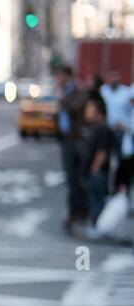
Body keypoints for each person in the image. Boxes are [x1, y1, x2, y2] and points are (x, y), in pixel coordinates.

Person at [55, 66, 91, 234]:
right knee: (71, 178)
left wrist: (62, 99)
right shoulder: (62, 93)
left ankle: (78, 213)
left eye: (61, 76)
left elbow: (75, 109)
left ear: (68, 76)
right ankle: (77, 212)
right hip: (65, 140)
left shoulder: (77, 92)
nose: (58, 80)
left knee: (76, 178)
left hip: (76, 141)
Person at [83, 97, 119, 236]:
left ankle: (98, 229)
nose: (87, 112)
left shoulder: (103, 129)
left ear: (99, 112)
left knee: (97, 201)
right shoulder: (97, 128)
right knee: (95, 200)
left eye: (90, 109)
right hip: (96, 173)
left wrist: (94, 170)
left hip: (98, 173)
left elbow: (102, 153)